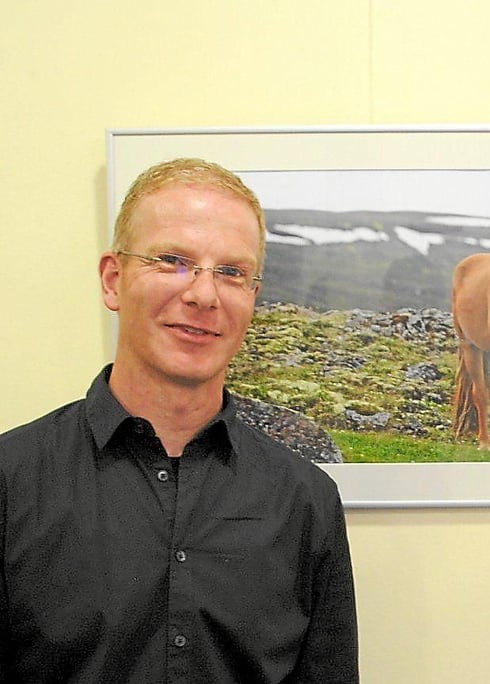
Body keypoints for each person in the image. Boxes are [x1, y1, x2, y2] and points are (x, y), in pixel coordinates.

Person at [0, 158, 359, 682]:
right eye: (172, 260)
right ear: (113, 280)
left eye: (231, 272)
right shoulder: (12, 482)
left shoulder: (306, 502)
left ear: (252, 297)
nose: (202, 295)